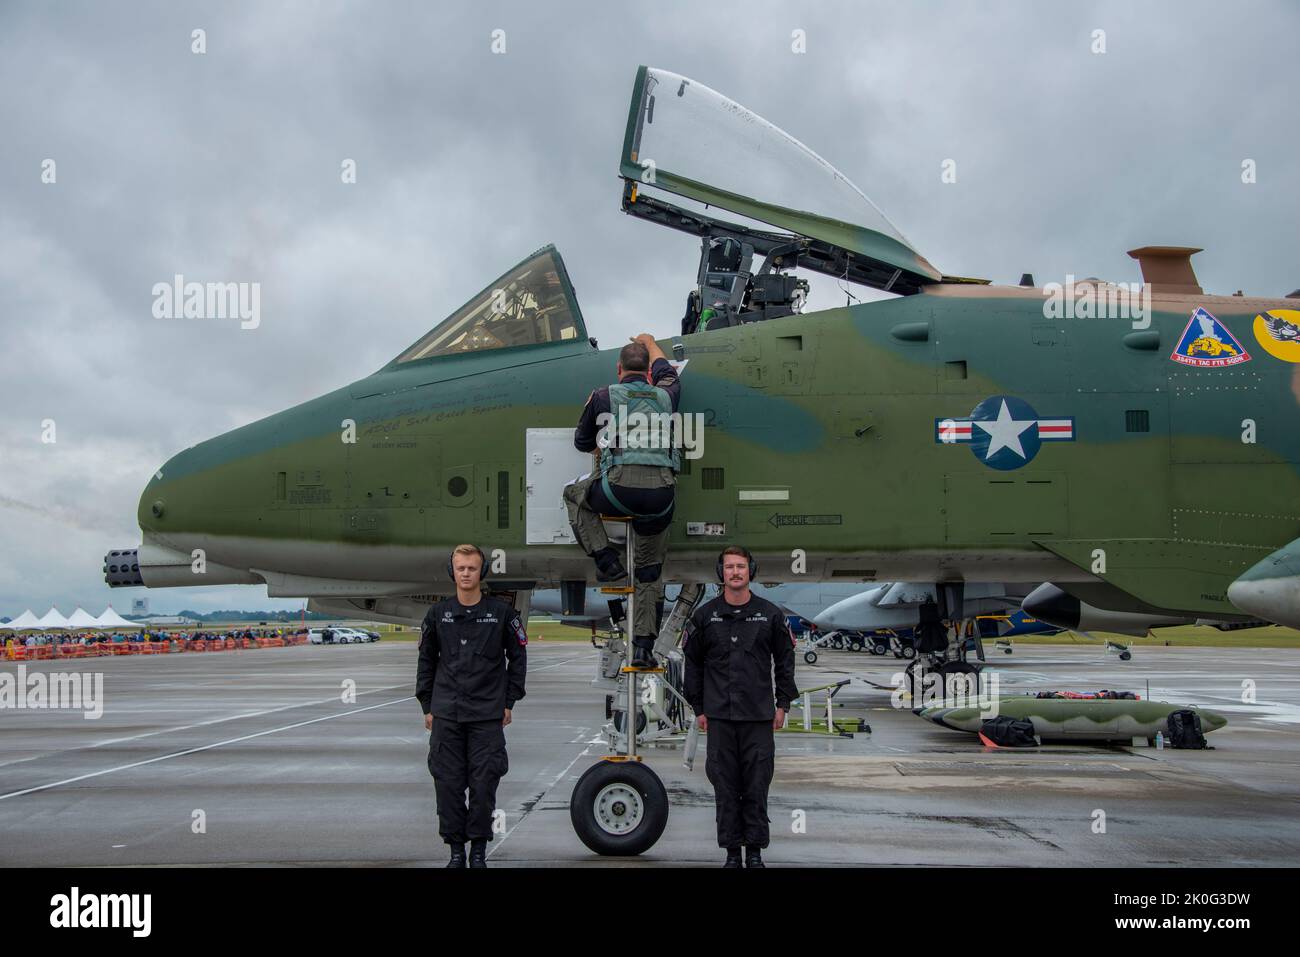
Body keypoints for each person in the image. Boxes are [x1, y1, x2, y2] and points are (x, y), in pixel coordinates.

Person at [563, 333, 682, 669]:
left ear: (618, 369)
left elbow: (581, 441)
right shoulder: (667, 393)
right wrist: (650, 341)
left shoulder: (603, 396)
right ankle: (644, 647)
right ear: (647, 372)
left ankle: (605, 559)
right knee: (649, 571)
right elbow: (667, 370)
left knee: (575, 495)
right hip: (661, 498)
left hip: (618, 492)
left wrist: (602, 446)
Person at [683, 545, 799, 868]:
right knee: (724, 785)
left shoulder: (771, 614)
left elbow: (785, 660)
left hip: (759, 716)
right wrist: (699, 707)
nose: (736, 572)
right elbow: (691, 663)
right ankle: (733, 853)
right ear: (722, 573)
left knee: (757, 784)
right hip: (719, 717)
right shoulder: (705, 617)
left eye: (741, 567)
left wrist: (783, 703)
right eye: (730, 567)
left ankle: (756, 852)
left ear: (751, 571)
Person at [415, 543, 527, 868]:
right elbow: (426, 661)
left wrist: (509, 701)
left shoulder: (502, 614)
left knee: (483, 783)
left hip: (487, 714)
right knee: (448, 785)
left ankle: (478, 851)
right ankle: (455, 853)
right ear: (453, 572)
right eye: (461, 568)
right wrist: (427, 705)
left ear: (481, 572)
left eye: (472, 568)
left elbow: (518, 658)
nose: (466, 573)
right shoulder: (437, 615)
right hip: (446, 714)